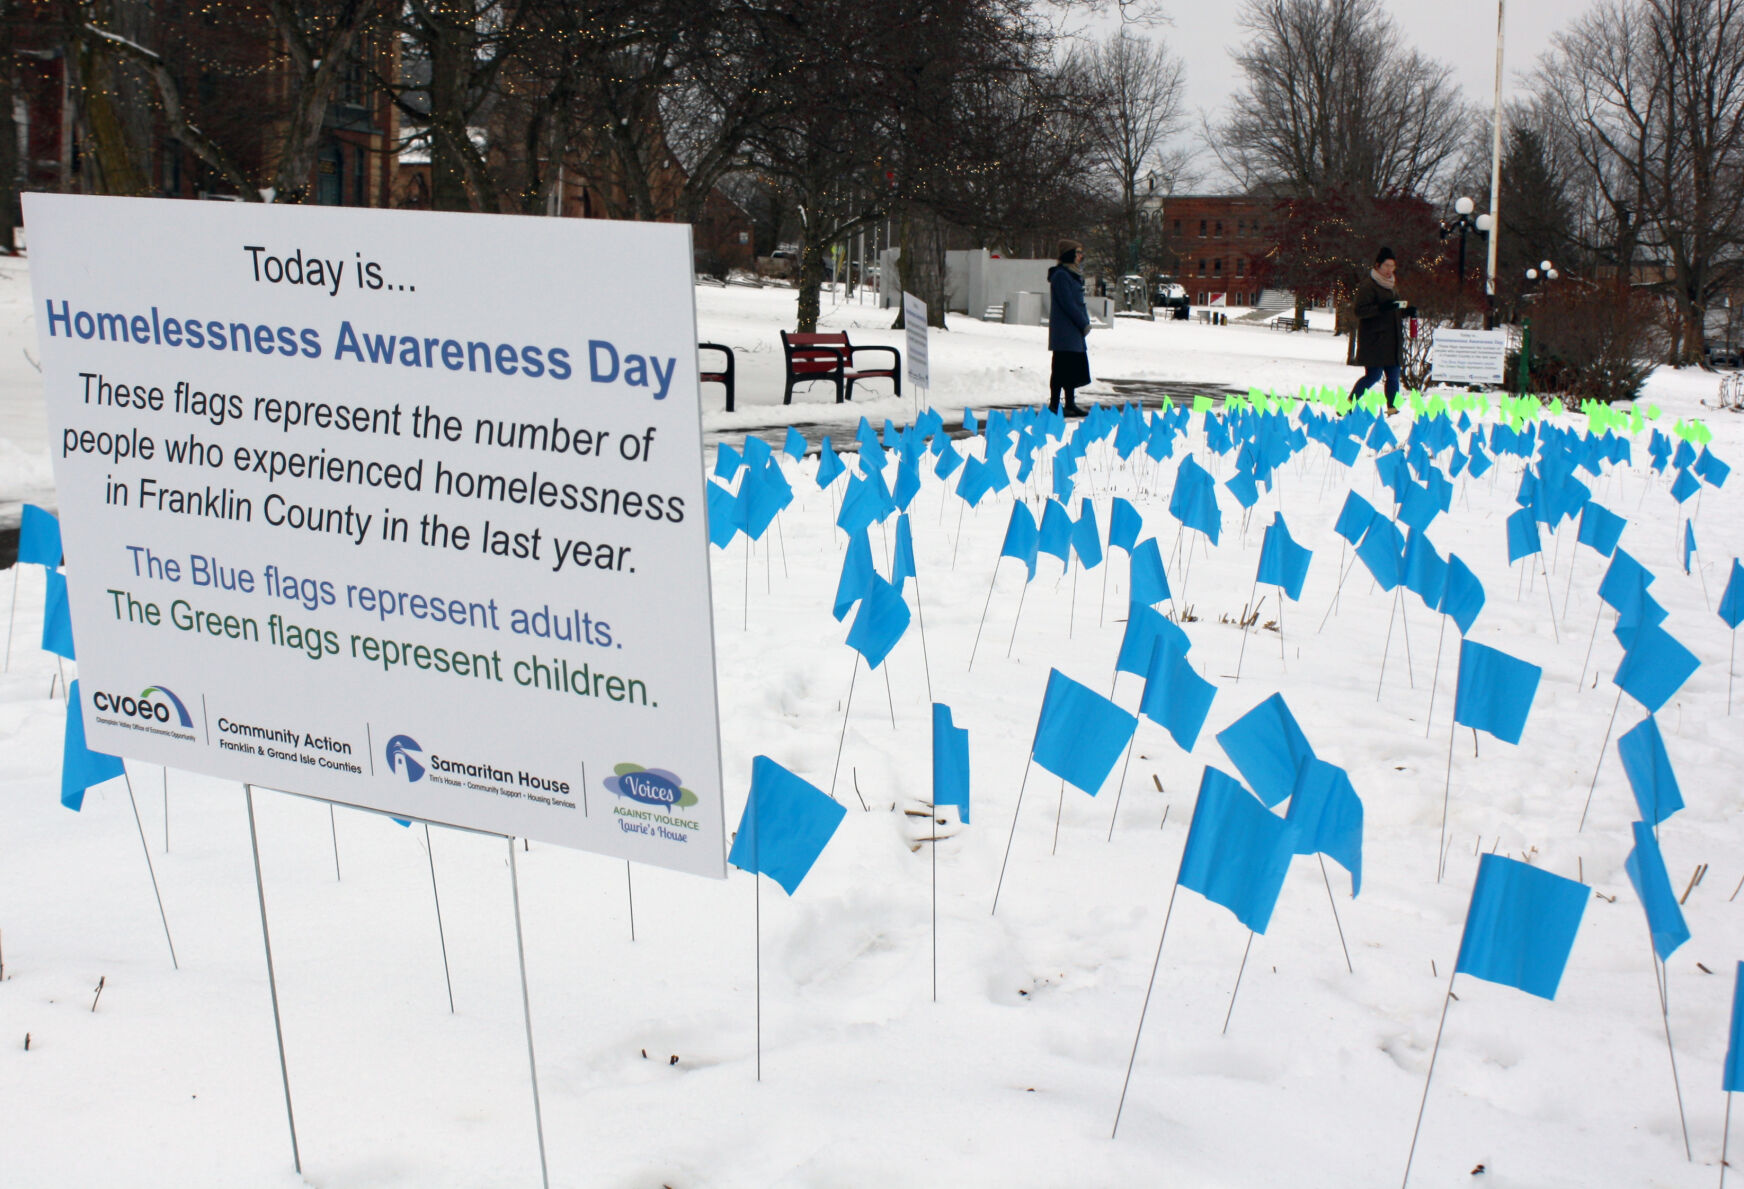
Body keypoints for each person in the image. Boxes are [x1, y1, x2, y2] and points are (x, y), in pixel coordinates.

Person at [1351, 246, 1410, 412]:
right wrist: (1381, 308)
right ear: (1378, 266)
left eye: (1392, 266)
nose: (1389, 270)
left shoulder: (1392, 286)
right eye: (1386, 266)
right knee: (1373, 376)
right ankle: (1348, 404)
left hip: (1392, 340)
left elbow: (1393, 311)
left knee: (1393, 377)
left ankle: (1393, 409)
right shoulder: (1368, 286)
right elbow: (1359, 311)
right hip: (1375, 340)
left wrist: (1405, 311)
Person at [1048, 240, 1091, 416]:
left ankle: (1070, 403)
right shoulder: (1061, 276)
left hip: (1074, 331)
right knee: (1060, 368)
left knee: (1071, 368)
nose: (1081, 256)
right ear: (1069, 254)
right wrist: (1083, 322)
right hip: (1065, 331)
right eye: (1078, 252)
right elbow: (1068, 303)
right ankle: (1055, 404)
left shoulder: (1072, 275)